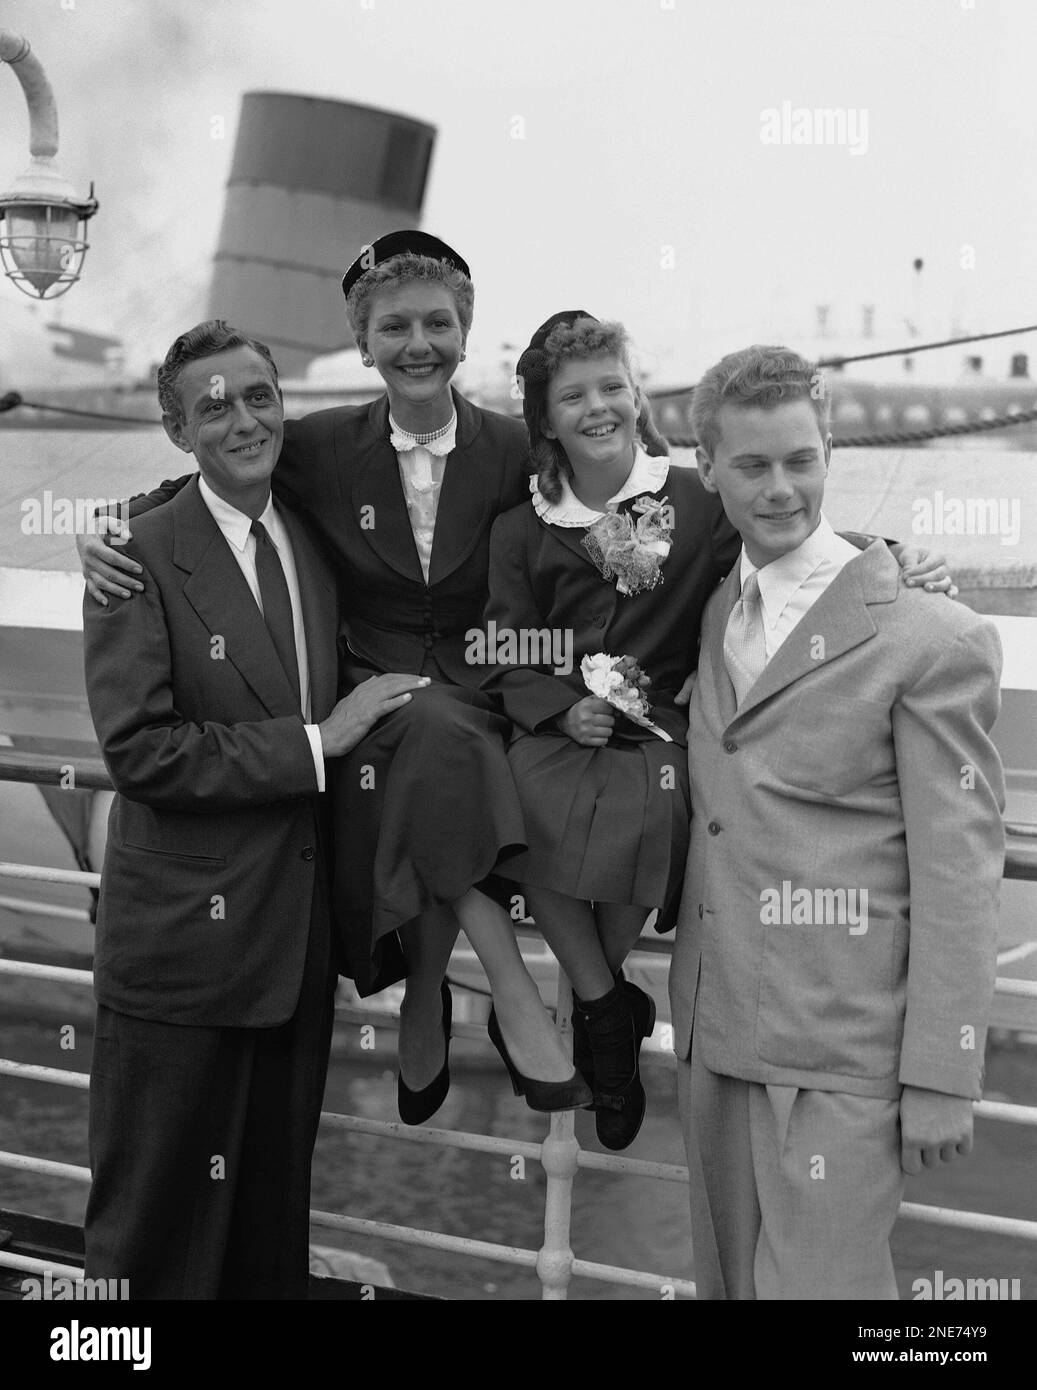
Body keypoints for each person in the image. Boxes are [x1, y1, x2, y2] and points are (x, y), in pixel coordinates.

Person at [77, 232, 589, 1121]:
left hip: (482, 693)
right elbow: (216, 476)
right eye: (394, 327)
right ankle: (508, 986)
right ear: (364, 345)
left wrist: (869, 547)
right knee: (427, 742)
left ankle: (426, 993)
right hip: (374, 701)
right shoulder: (319, 444)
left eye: (437, 323)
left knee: (443, 750)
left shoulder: (514, 449)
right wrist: (110, 525)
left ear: (466, 334)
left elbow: (641, 497)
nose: (417, 344)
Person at [482, 312, 955, 1152]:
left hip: (661, 719)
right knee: (518, 799)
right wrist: (557, 704)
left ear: (637, 396)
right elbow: (505, 643)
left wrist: (891, 552)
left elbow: (789, 530)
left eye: (613, 388)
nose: (598, 408)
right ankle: (601, 1005)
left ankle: (605, 1003)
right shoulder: (521, 529)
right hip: (558, 720)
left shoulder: (693, 497)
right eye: (573, 396)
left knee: (656, 807)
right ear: (543, 418)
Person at [82, 321, 428, 1298]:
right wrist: (325, 741)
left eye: (259, 396)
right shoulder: (133, 554)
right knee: (147, 1239)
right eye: (214, 405)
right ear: (175, 426)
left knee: (264, 1240)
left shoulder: (314, 535)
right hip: (181, 957)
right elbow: (141, 750)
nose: (243, 418)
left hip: (294, 952)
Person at [671, 344, 1005, 1299]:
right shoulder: (714, 613)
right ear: (707, 470)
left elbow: (958, 869)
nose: (783, 490)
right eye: (753, 466)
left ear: (828, 453)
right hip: (715, 1035)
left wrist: (942, 1075)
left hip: (842, 1062)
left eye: (802, 460)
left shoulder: (929, 638)